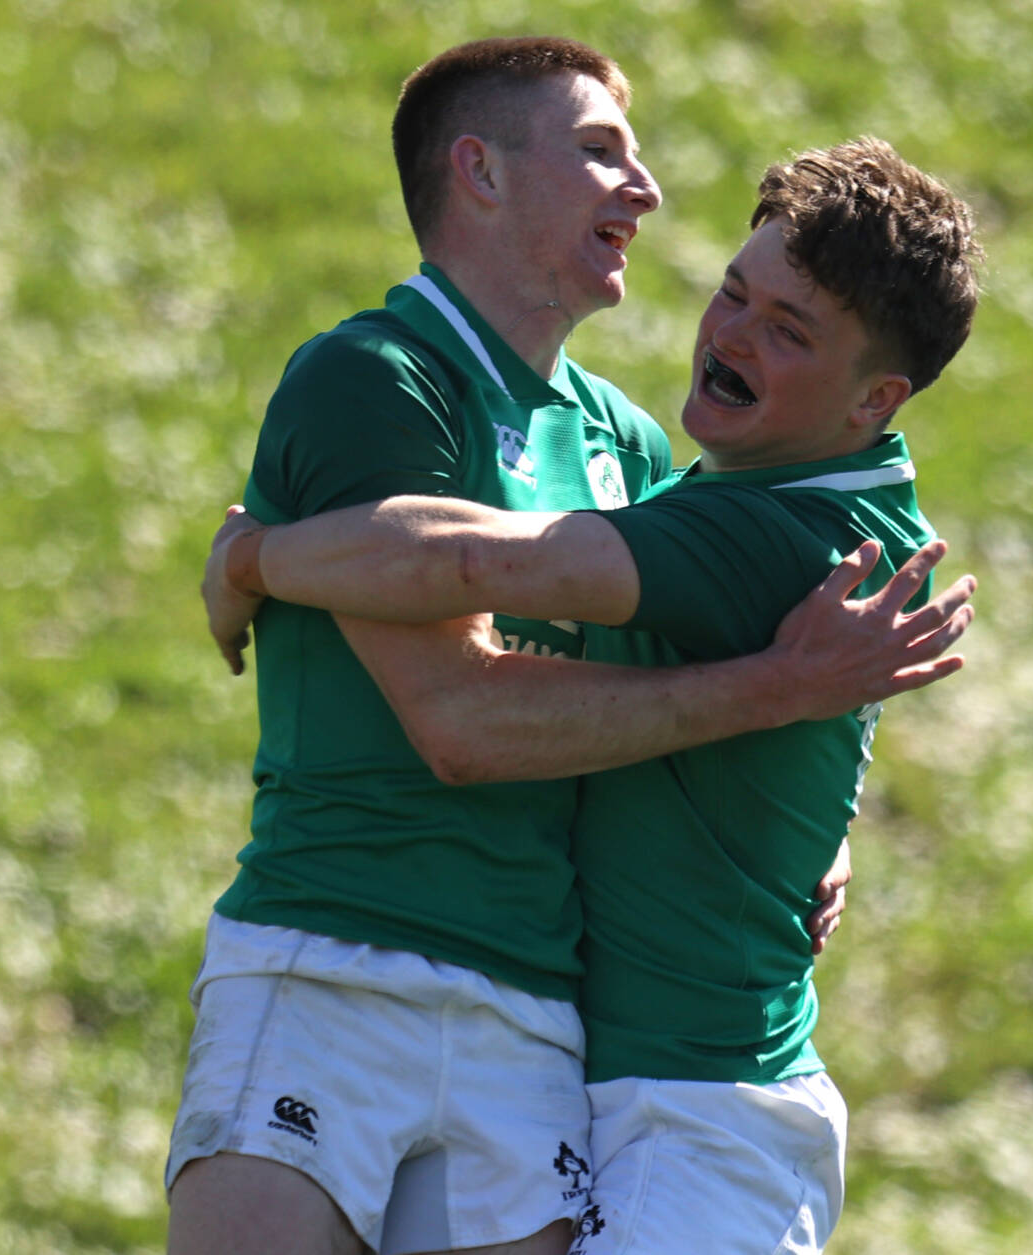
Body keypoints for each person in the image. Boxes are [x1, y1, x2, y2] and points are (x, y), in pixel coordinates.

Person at [168, 37, 970, 1255]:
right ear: (479, 173)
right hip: (334, 963)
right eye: (602, 152)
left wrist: (803, 819)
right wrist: (771, 698)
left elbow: (686, 663)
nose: (645, 190)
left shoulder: (637, 448)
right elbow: (464, 723)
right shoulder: (373, 379)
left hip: (534, 1022)